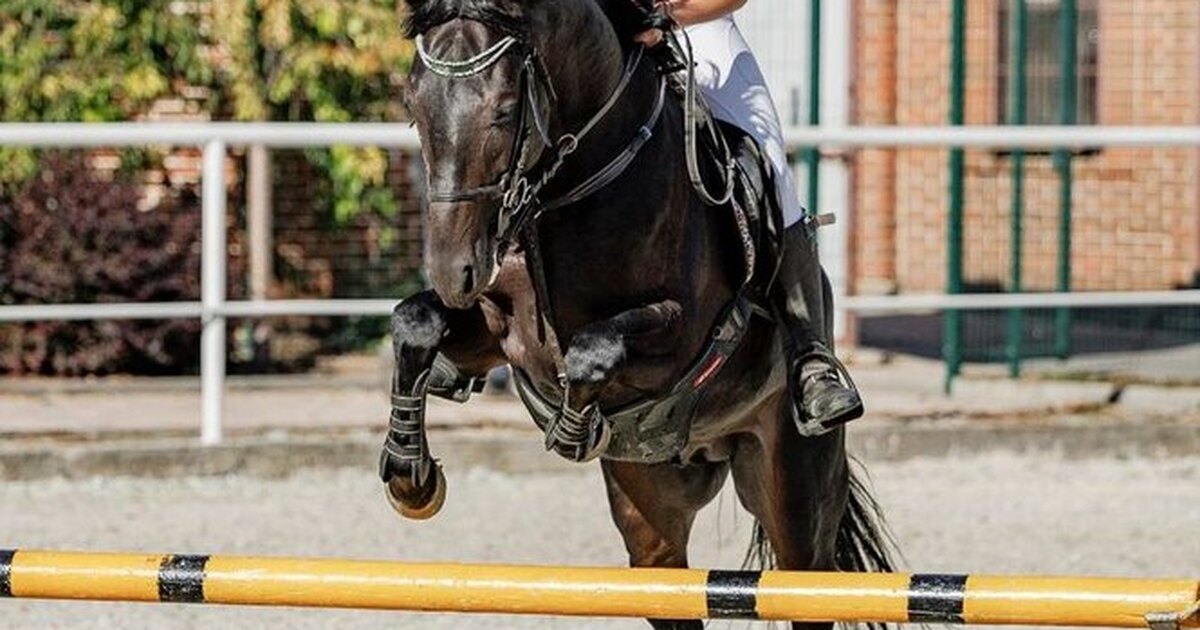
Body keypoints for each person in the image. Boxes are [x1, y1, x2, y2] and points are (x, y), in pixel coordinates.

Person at [636, 0, 863, 435]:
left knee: (773, 171)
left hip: (697, 36)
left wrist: (662, 18)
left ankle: (809, 357)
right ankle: (477, 321)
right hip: (606, 42)